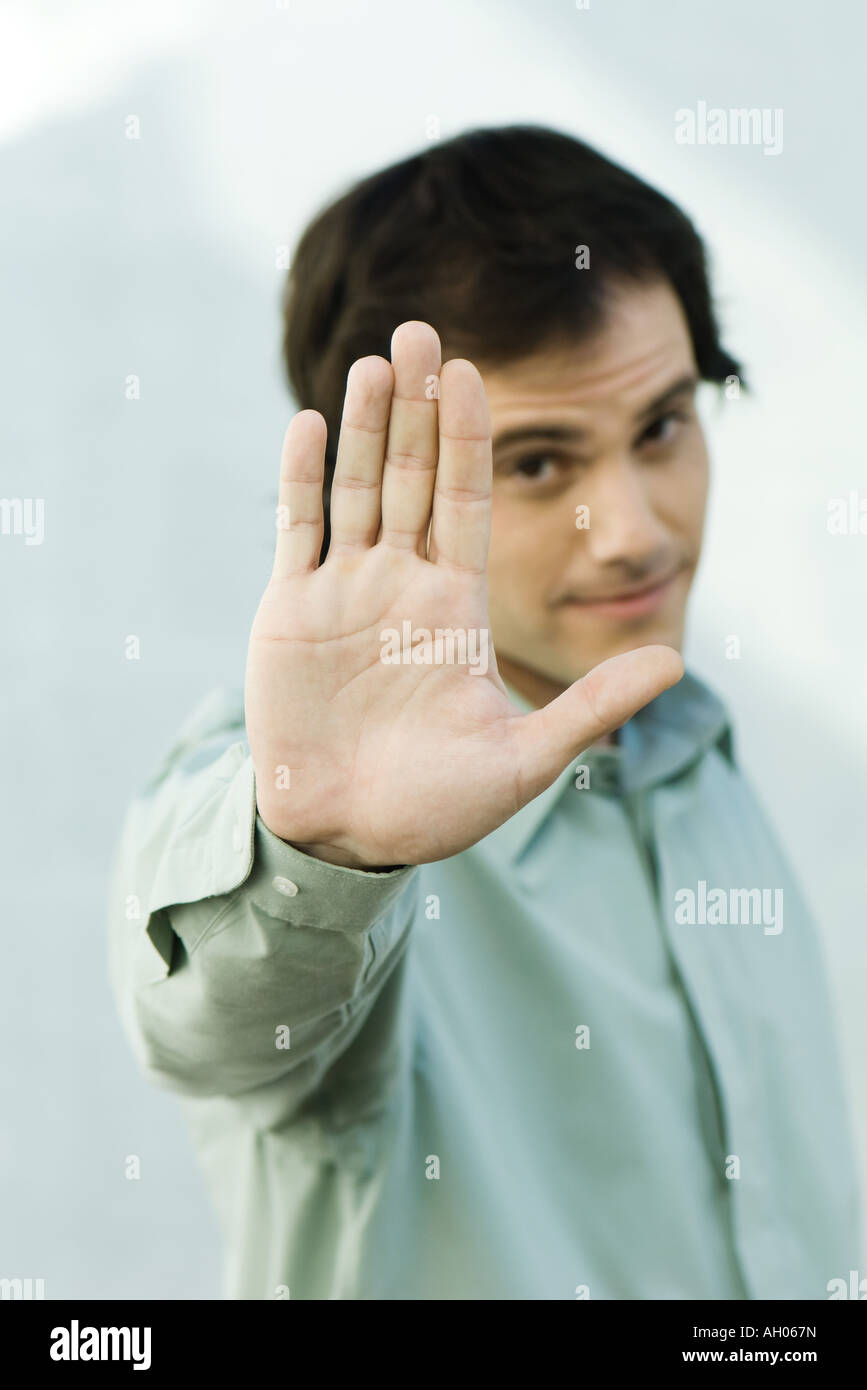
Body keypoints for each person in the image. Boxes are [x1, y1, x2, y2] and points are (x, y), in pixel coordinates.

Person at [108, 125, 858, 1300]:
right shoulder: (311, 811)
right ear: (399, 476)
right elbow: (206, 1025)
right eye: (539, 464)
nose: (634, 531)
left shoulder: (691, 752)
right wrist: (324, 850)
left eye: (662, 425)